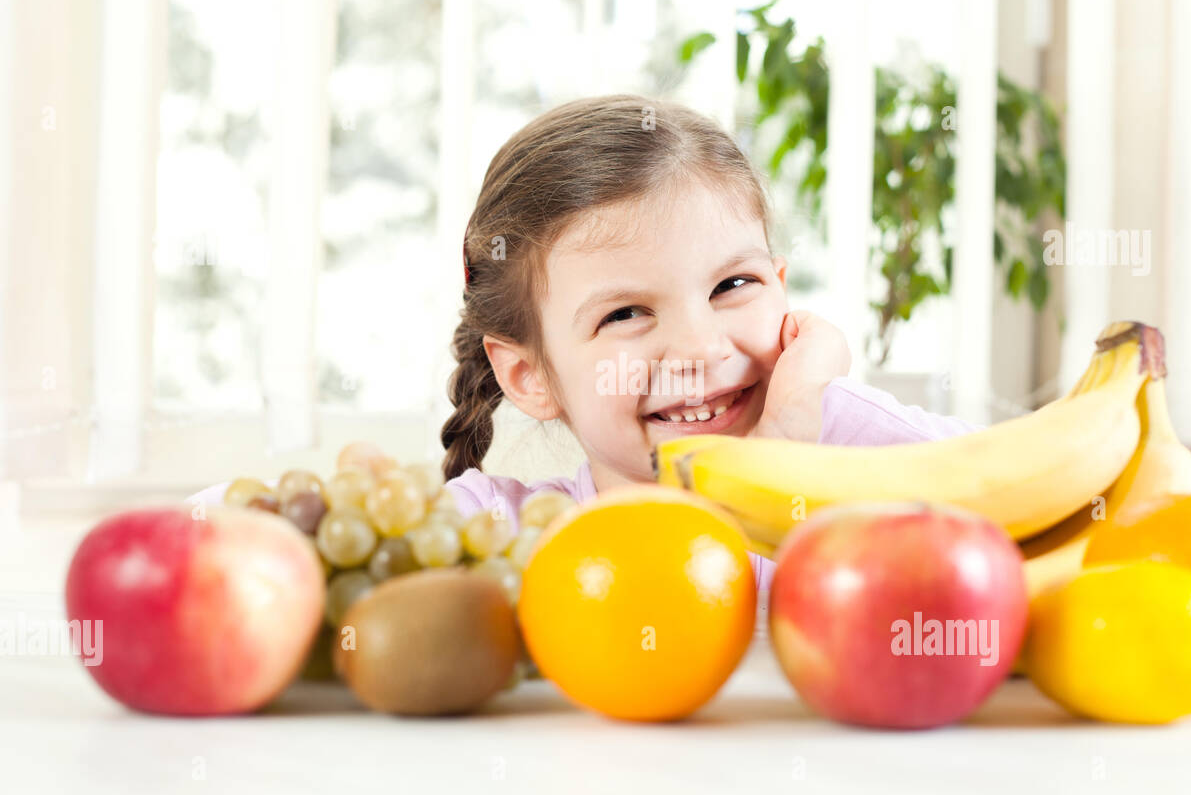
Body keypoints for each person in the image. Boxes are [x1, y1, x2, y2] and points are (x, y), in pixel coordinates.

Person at [190, 94, 981, 627]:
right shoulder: (512, 533)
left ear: (783, 289)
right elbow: (212, 527)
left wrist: (793, 438)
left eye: (733, 285)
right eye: (626, 313)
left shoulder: (877, 456)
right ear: (531, 377)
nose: (701, 350)